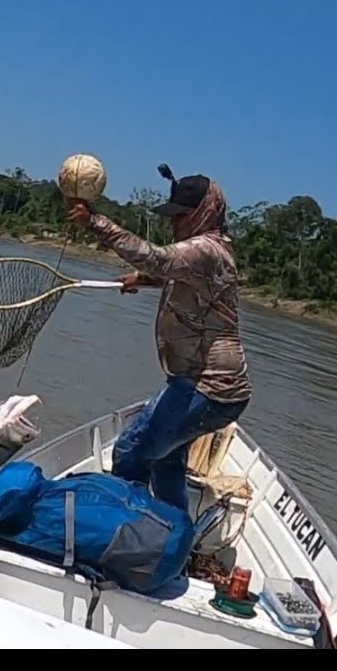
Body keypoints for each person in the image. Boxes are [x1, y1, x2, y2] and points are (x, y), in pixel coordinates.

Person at [64, 166, 252, 513]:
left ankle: (123, 535)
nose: (173, 223)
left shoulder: (206, 249)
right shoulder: (209, 252)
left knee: (131, 452)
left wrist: (95, 222)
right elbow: (178, 275)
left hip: (209, 389)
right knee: (166, 461)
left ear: (203, 213)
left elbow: (158, 258)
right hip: (203, 386)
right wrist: (144, 279)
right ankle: (171, 536)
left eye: (181, 216)